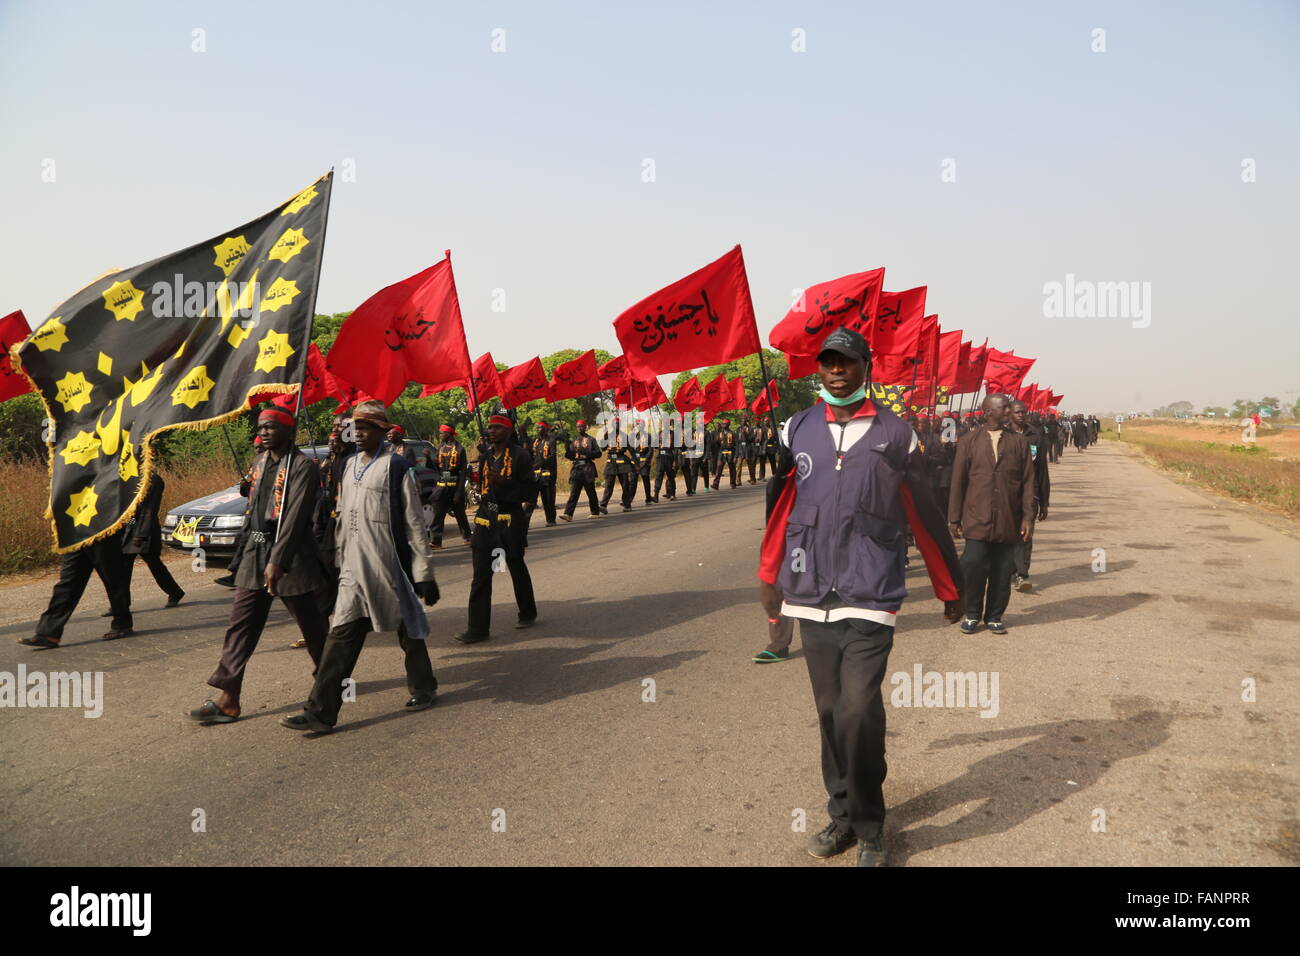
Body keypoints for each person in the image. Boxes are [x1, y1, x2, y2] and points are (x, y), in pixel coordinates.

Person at [757, 327, 963, 866]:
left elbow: (925, 512)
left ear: (865, 367)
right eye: (828, 362)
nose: (836, 370)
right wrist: (769, 577)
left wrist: (949, 585)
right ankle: (841, 814)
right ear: (817, 370)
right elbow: (779, 507)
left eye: (846, 361)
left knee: (858, 712)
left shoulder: (896, 435)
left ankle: (871, 826)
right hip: (809, 594)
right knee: (829, 712)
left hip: (871, 593)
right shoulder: (796, 429)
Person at [280, 401, 441, 733]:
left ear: (382, 431)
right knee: (341, 636)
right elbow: (343, 517)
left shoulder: (396, 467)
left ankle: (424, 686)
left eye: (367, 428)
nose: (359, 433)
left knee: (407, 629)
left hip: (388, 566)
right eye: (356, 427)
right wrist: (338, 563)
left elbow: (414, 524)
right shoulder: (348, 464)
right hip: (353, 569)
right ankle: (320, 712)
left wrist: (424, 574)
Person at [189, 405, 332, 723]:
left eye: (271, 426)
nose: (264, 431)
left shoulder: (303, 467)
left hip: (292, 558)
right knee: (241, 626)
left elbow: (293, 519)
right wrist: (242, 555)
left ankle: (328, 691)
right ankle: (228, 698)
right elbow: (251, 510)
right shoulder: (260, 461)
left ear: (289, 431)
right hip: (255, 554)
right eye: (261, 427)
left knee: (313, 629)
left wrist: (278, 560)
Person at [948, 393, 1036, 635]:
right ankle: (973, 613)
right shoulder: (969, 441)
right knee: (973, 565)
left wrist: (1028, 517)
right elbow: (958, 482)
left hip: (1008, 518)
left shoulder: (1018, 442)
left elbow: (1029, 482)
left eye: (1009, 407)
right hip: (977, 517)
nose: (1008, 411)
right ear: (988, 412)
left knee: (1002, 569)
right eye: (1004, 408)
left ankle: (995, 615)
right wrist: (954, 518)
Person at [458, 413, 539, 643]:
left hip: (509, 521)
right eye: (490, 428)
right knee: (480, 576)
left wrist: (505, 483)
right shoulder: (485, 457)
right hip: (485, 521)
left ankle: (527, 612)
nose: (491, 431)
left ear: (508, 430)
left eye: (496, 428)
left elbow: (530, 491)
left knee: (515, 566)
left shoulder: (520, 456)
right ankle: (477, 629)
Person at [21, 529, 134, 647]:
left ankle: (122, 623)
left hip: (105, 533)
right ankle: (48, 633)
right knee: (67, 582)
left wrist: (132, 533)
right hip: (76, 534)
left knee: (113, 579)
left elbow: (134, 514)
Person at [122, 472, 185, 609]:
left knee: (154, 564)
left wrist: (141, 534)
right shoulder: (129, 476)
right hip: (131, 527)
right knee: (123, 566)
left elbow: (149, 510)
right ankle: (121, 604)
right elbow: (129, 508)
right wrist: (127, 527)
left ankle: (175, 592)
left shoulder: (152, 480)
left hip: (145, 529)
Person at [1007, 400, 1050, 593]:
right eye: (1017, 412)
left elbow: (1042, 470)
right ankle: (1008, 570)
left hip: (1029, 492)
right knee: (1006, 534)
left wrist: (1044, 501)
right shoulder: (1002, 434)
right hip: (1006, 492)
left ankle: (1022, 574)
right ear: (1009, 414)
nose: (1021, 415)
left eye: (1024, 412)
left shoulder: (1035, 436)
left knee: (1025, 534)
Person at [429, 424, 472, 549]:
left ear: (449, 433)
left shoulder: (460, 449)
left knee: (460, 514)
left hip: (455, 486)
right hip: (441, 486)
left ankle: (467, 537)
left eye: (442, 433)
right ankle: (436, 541)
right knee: (438, 514)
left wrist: (459, 492)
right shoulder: (440, 448)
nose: (440, 435)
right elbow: (436, 467)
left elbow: (463, 472)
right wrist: (428, 457)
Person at [561, 420, 603, 520]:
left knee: (591, 492)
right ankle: (568, 514)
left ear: (585, 427)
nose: (579, 428)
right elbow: (570, 456)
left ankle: (595, 512)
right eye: (578, 426)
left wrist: (588, 453)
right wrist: (566, 443)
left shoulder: (591, 439)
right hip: (576, 469)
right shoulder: (574, 440)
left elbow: (598, 453)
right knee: (574, 492)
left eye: (581, 426)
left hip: (587, 467)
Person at [525, 421, 560, 532]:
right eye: (537, 428)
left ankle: (550, 520)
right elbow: (530, 454)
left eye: (540, 428)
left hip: (547, 474)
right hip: (535, 475)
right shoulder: (535, 441)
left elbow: (552, 456)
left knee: (548, 499)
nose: (538, 429)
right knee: (531, 499)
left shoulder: (551, 441)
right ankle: (524, 523)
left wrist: (541, 463)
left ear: (545, 429)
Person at [599, 417, 636, 513]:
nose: (616, 426)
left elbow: (631, 450)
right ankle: (603, 505)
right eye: (614, 424)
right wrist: (605, 436)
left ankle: (627, 504)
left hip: (622, 461)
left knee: (625, 485)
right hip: (611, 462)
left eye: (617, 424)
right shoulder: (608, 435)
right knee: (608, 485)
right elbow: (602, 448)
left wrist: (636, 462)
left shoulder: (624, 436)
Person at [652, 417, 680, 501]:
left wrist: (675, 461)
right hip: (660, 457)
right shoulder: (659, 433)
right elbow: (656, 446)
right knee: (658, 476)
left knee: (671, 477)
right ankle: (656, 495)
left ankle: (673, 494)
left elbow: (676, 448)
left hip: (669, 456)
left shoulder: (674, 434)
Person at [681, 415, 708, 495]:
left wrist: (706, 456)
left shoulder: (706, 433)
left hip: (703, 455)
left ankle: (706, 486)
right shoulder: (693, 432)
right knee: (693, 472)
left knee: (705, 472)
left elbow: (708, 446)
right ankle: (693, 488)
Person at [711, 419, 739, 489]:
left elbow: (737, 445)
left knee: (732, 469)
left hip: (730, 452)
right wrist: (716, 440)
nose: (724, 425)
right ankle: (715, 484)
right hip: (722, 452)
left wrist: (736, 456)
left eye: (725, 424)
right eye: (723, 424)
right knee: (719, 468)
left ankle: (733, 483)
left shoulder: (733, 433)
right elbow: (716, 445)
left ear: (728, 424)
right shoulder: (720, 433)